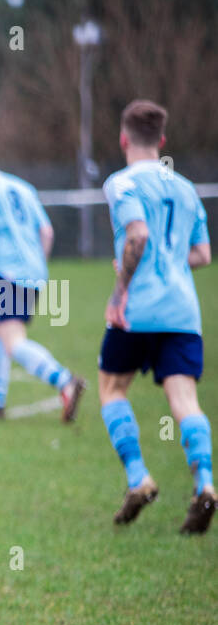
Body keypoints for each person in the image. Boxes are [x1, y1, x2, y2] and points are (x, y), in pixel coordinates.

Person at [97, 100, 213, 533]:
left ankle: (138, 477)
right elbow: (201, 254)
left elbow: (138, 235)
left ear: (123, 138)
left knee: (112, 389)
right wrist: (165, 261)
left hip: (137, 310)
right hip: (183, 311)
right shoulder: (185, 188)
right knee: (185, 401)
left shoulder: (120, 183)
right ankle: (205, 483)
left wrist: (120, 288)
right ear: (162, 141)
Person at [0, 141, 85, 422]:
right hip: (34, 268)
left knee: (12, 340)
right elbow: (46, 232)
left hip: (10, 270)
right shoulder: (22, 187)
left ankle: (65, 381)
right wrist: (36, 266)